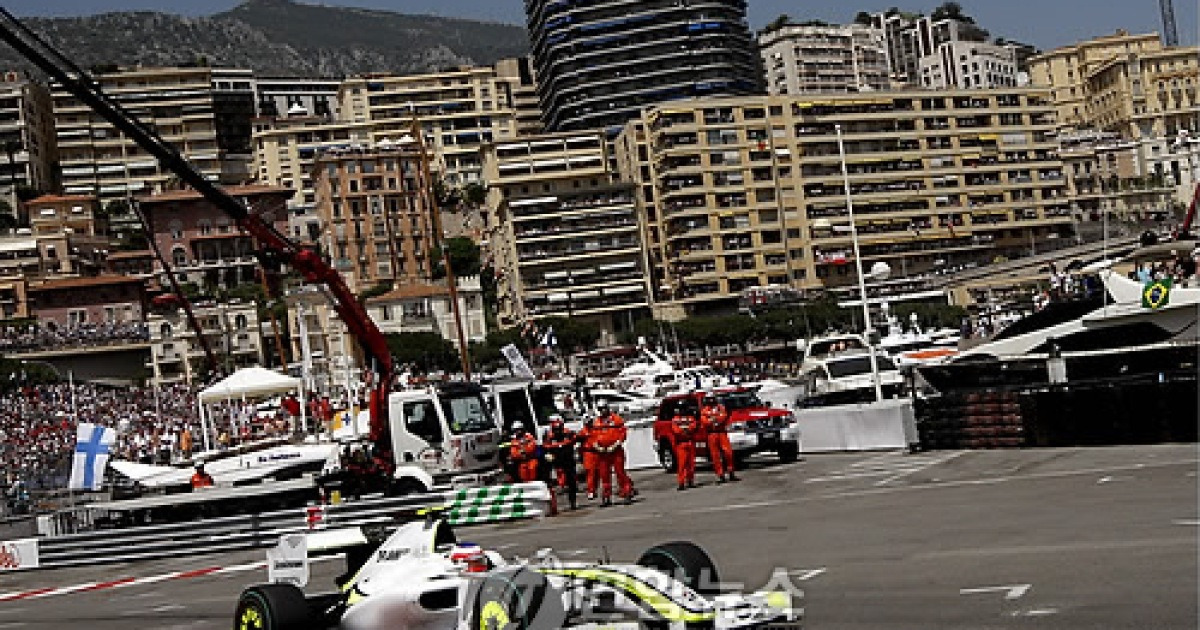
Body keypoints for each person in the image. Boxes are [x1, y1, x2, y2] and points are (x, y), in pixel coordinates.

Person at [592, 403, 635, 506]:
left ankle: (627, 493)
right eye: (600, 409)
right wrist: (598, 447)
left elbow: (622, 434)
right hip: (602, 453)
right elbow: (593, 437)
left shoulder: (616, 419)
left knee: (620, 473)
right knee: (604, 475)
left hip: (616, 451)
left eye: (604, 408)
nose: (602, 411)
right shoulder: (596, 422)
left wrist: (615, 445)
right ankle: (606, 497)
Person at [542, 415, 579, 510]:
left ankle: (572, 501)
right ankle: (554, 503)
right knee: (557, 480)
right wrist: (548, 454)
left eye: (559, 428)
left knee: (572, 481)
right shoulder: (548, 435)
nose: (557, 431)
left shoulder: (569, 433)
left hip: (568, 460)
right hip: (557, 461)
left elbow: (576, 440)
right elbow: (545, 447)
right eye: (555, 428)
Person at [701, 396, 737, 483]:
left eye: (712, 398)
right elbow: (705, 421)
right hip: (712, 434)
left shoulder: (720, 407)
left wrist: (714, 419)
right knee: (715, 455)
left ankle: (731, 471)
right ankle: (720, 475)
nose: (711, 400)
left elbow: (724, 416)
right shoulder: (704, 410)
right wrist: (715, 420)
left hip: (722, 432)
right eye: (709, 399)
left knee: (728, 452)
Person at [671, 411, 699, 490]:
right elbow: (675, 430)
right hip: (681, 443)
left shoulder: (690, 418)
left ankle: (690, 480)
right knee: (682, 464)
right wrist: (685, 431)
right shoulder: (675, 419)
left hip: (690, 442)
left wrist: (686, 430)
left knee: (691, 464)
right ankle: (681, 483)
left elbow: (694, 426)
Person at [576, 417, 600, 501]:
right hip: (587, 453)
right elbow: (576, 440)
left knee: (597, 472)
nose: (588, 423)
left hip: (597, 452)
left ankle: (595, 489)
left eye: (589, 421)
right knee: (590, 472)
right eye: (587, 422)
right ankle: (591, 491)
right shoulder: (582, 431)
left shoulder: (596, 429)